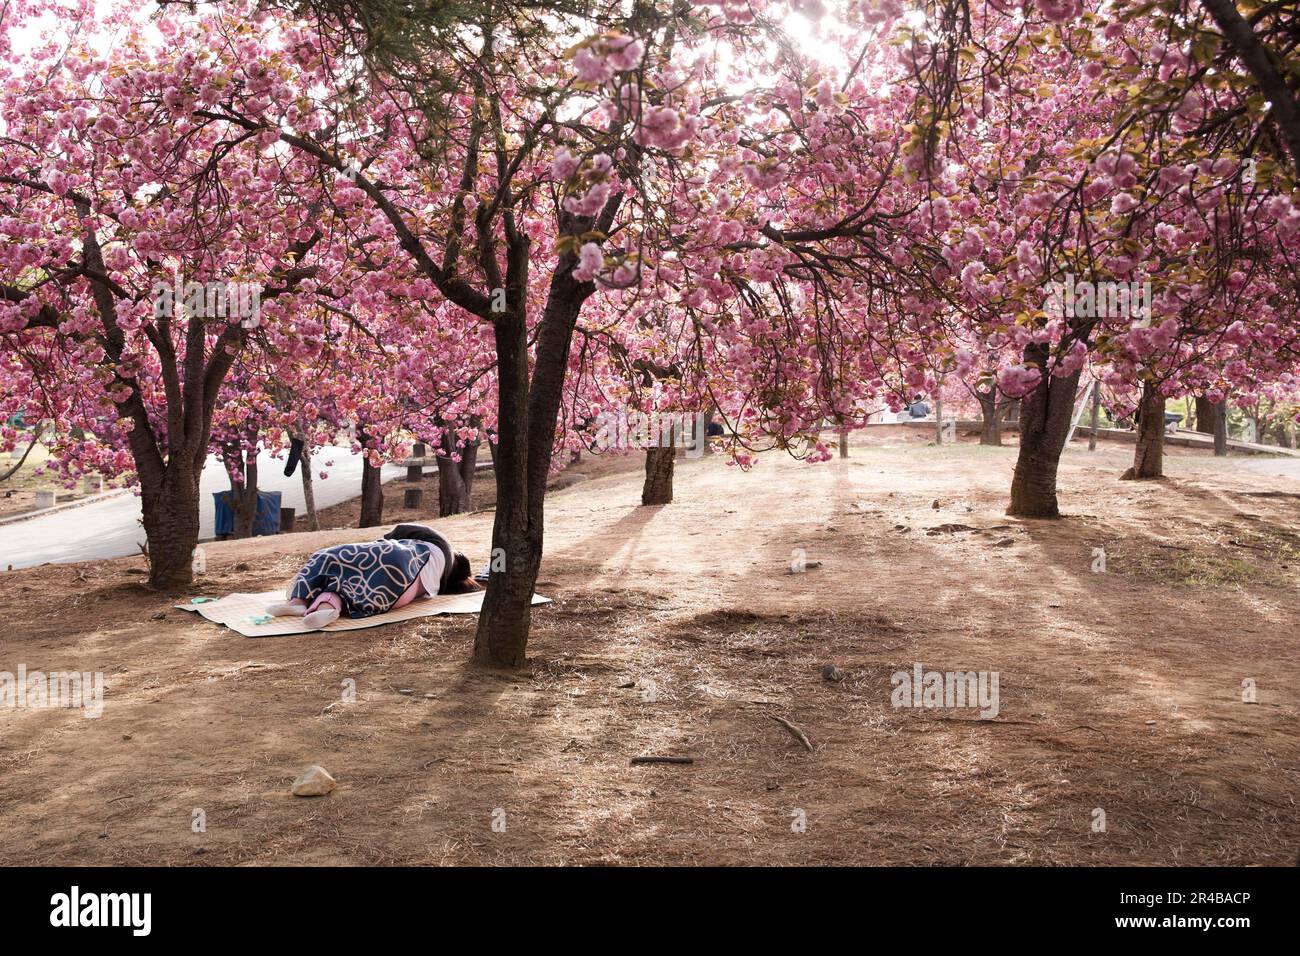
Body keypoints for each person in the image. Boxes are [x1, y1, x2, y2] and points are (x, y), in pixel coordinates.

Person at [267, 524, 479, 628]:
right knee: (347, 588)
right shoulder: (437, 586)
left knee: (328, 559)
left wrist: (378, 543)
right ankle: (327, 609)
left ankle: (298, 601)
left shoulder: (442, 545)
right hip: (398, 591)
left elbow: (399, 530)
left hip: (397, 555)